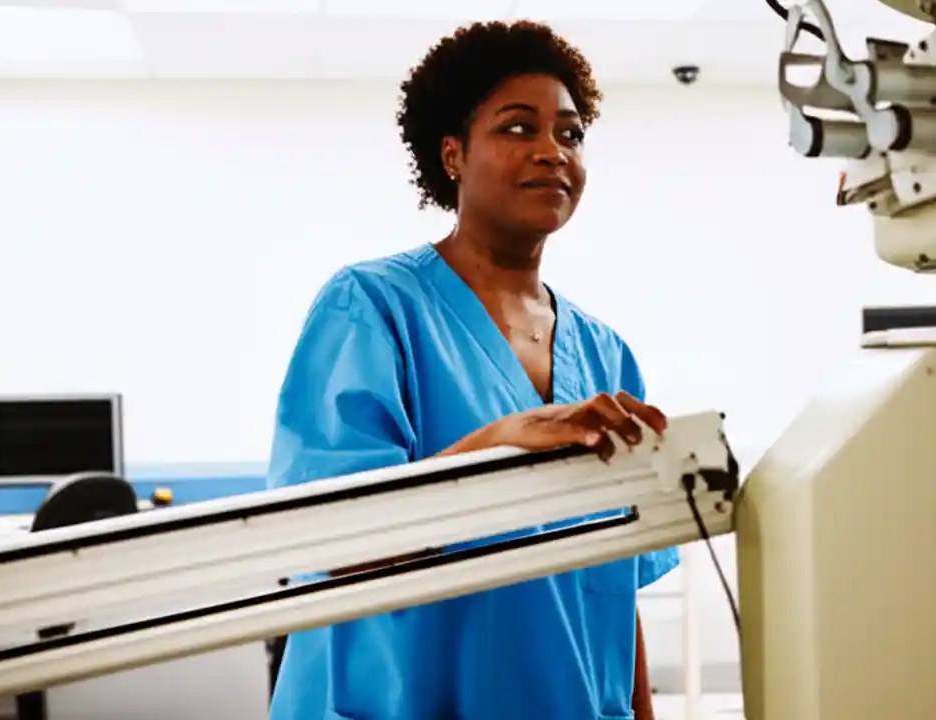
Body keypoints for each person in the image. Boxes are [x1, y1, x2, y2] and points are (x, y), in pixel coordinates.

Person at [266, 19, 676, 720]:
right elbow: (329, 543)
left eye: (570, 134)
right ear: (452, 155)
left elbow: (620, 586)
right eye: (519, 128)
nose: (552, 151)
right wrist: (502, 440)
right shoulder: (372, 309)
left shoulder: (607, 354)